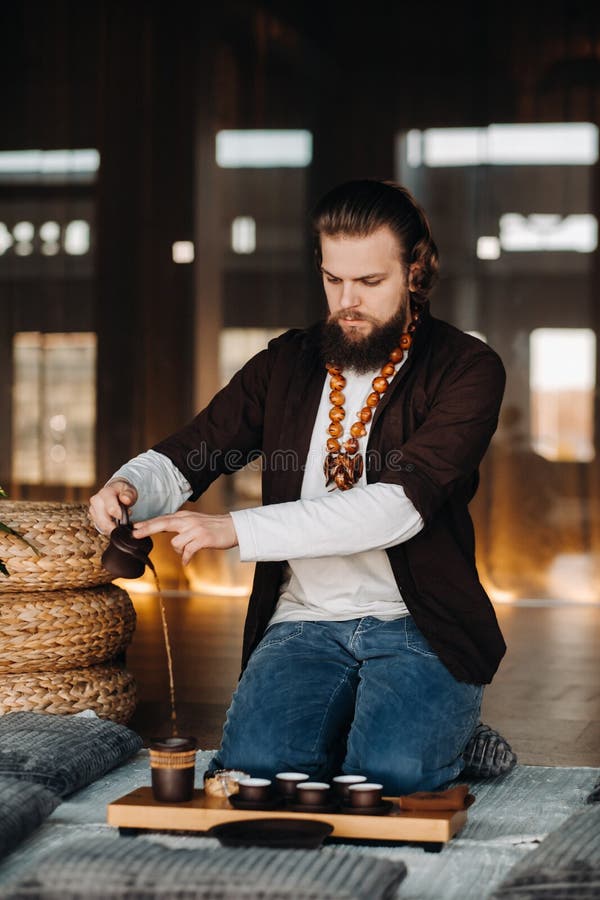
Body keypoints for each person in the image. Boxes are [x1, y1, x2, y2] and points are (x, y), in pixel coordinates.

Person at [90, 179, 509, 794]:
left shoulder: (468, 368)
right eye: (334, 279)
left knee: (386, 778)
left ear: (415, 272)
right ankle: (408, 723)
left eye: (370, 282)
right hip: (304, 621)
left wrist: (234, 529)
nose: (348, 301)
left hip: (419, 622)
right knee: (256, 774)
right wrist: (130, 485)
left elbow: (398, 507)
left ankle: (445, 728)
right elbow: (194, 452)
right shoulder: (286, 363)